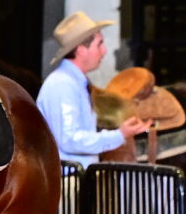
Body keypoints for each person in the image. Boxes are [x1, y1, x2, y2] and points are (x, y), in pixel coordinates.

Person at [36, 11, 150, 165]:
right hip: (68, 179)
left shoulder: (72, 82)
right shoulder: (62, 84)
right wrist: (119, 135)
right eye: (99, 44)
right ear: (81, 50)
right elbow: (69, 140)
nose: (104, 51)